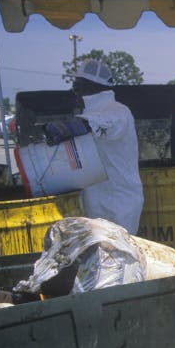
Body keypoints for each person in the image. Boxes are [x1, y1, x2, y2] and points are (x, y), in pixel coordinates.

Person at [45, 59, 143, 234]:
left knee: (120, 258)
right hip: (94, 202)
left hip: (120, 204)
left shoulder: (118, 111)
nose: (74, 91)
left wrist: (68, 127)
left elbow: (96, 123)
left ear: (90, 87)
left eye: (77, 86)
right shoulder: (88, 112)